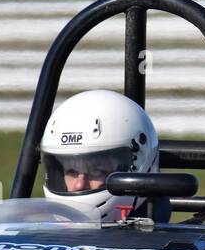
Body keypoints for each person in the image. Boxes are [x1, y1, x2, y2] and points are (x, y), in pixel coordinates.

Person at [40, 89, 169, 223]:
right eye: (71, 171)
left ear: (136, 165)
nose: (79, 185)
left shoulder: (162, 241)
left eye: (97, 171)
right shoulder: (39, 234)